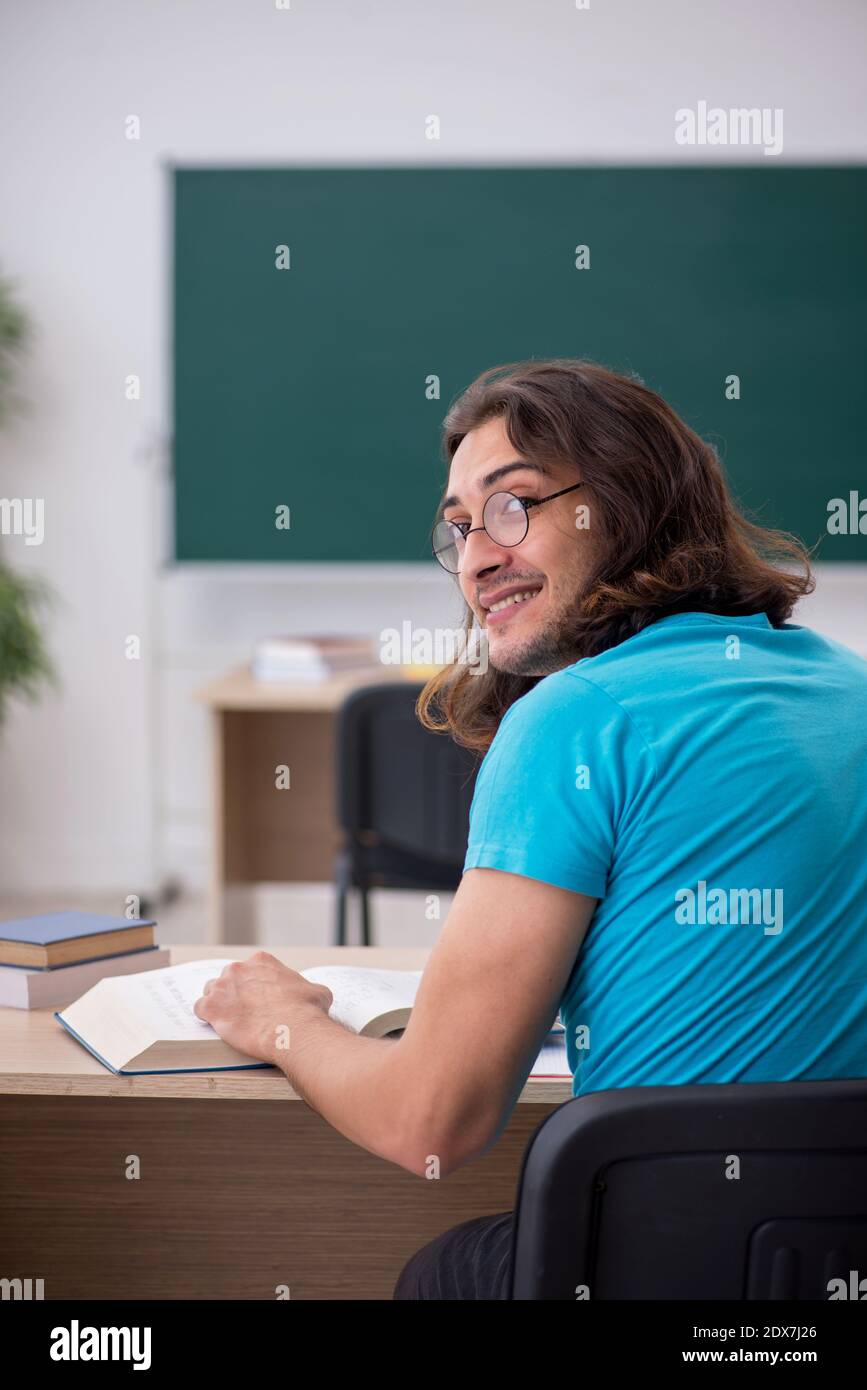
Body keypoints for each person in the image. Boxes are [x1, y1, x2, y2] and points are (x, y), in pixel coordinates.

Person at [194, 360, 867, 1301]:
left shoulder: (577, 718)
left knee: (441, 1272)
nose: (473, 557)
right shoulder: (851, 686)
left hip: (666, 1265)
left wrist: (279, 1017)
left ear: (629, 504)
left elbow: (431, 1123)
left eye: (513, 507)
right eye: (460, 526)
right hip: (830, 1271)